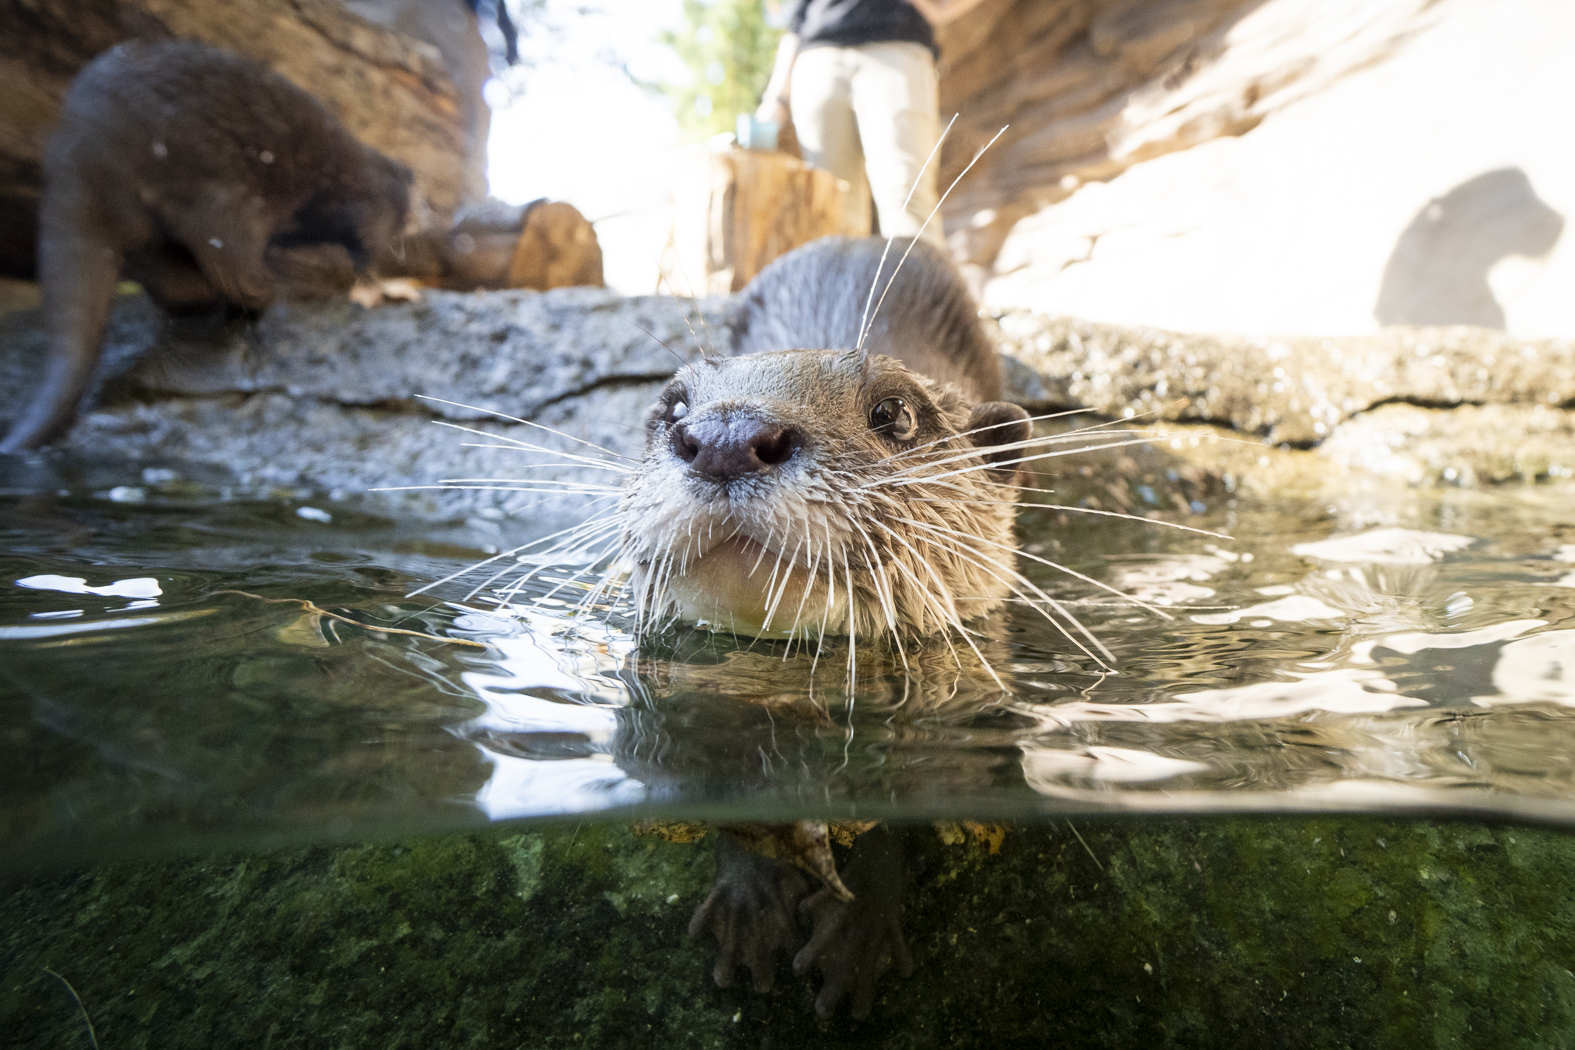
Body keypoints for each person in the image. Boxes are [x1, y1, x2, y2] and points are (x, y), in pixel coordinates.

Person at [755, 0, 989, 247]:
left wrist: (940, 9)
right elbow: (797, 19)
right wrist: (776, 98)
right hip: (818, 60)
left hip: (895, 48)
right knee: (834, 214)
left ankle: (916, 285)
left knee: (907, 200)